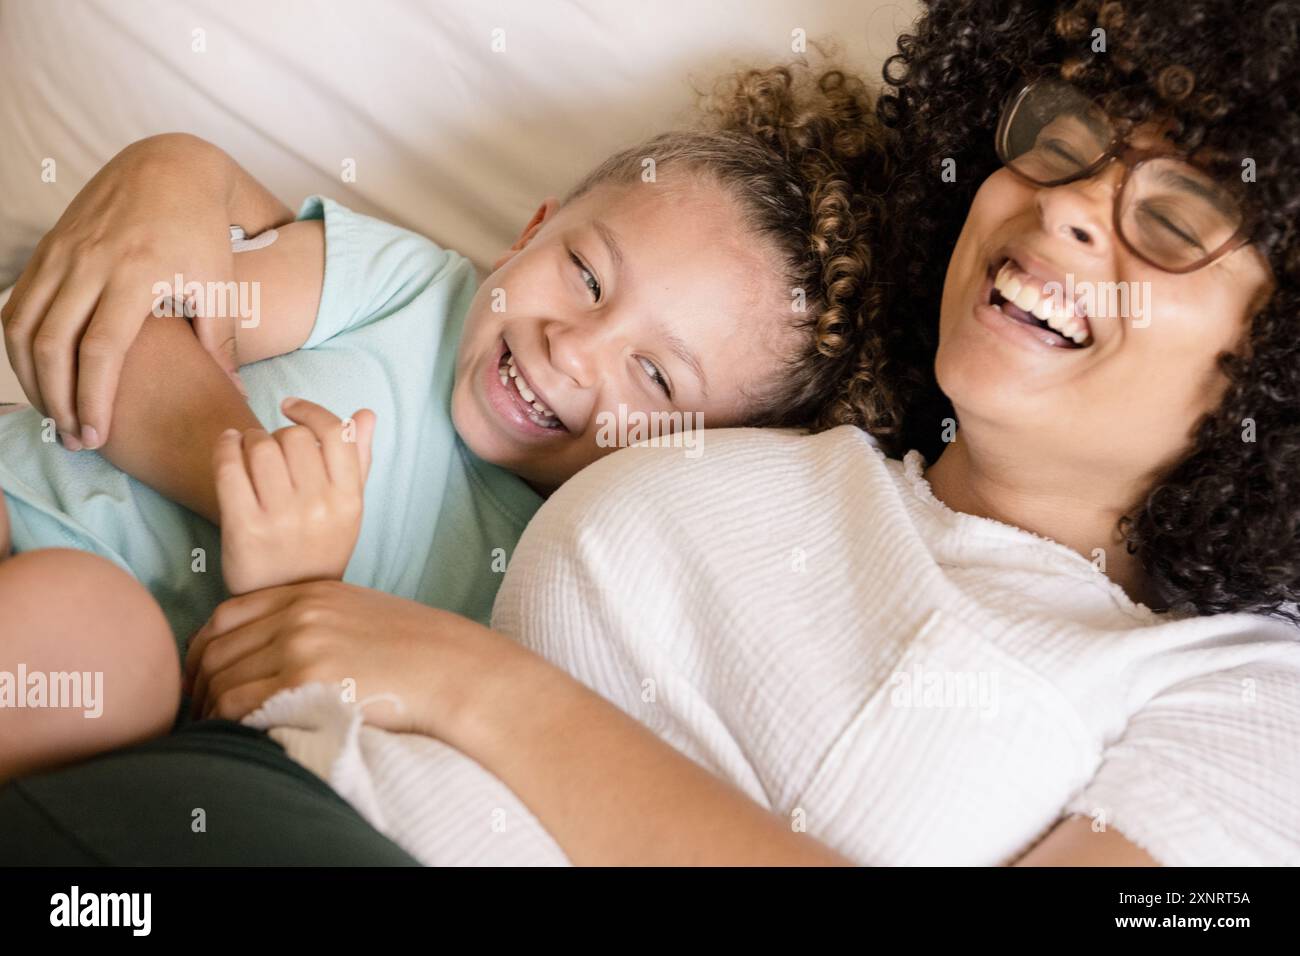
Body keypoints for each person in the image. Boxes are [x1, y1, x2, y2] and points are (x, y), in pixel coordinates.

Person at [3, 0, 1297, 867]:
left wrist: (484, 691)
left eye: (1175, 220)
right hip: (206, 803)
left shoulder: (1242, 700)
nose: (1071, 211)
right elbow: (453, 315)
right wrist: (171, 166)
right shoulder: (765, 432)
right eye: (1058, 146)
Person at [0, 63, 893, 782]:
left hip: (103, 693)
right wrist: (242, 474)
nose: (573, 347)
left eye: (655, 375)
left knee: (105, 644)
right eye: (584, 274)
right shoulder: (409, 288)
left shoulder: (551, 590)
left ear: (701, 460)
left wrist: (303, 588)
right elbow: (135, 324)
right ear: (528, 232)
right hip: (17, 491)